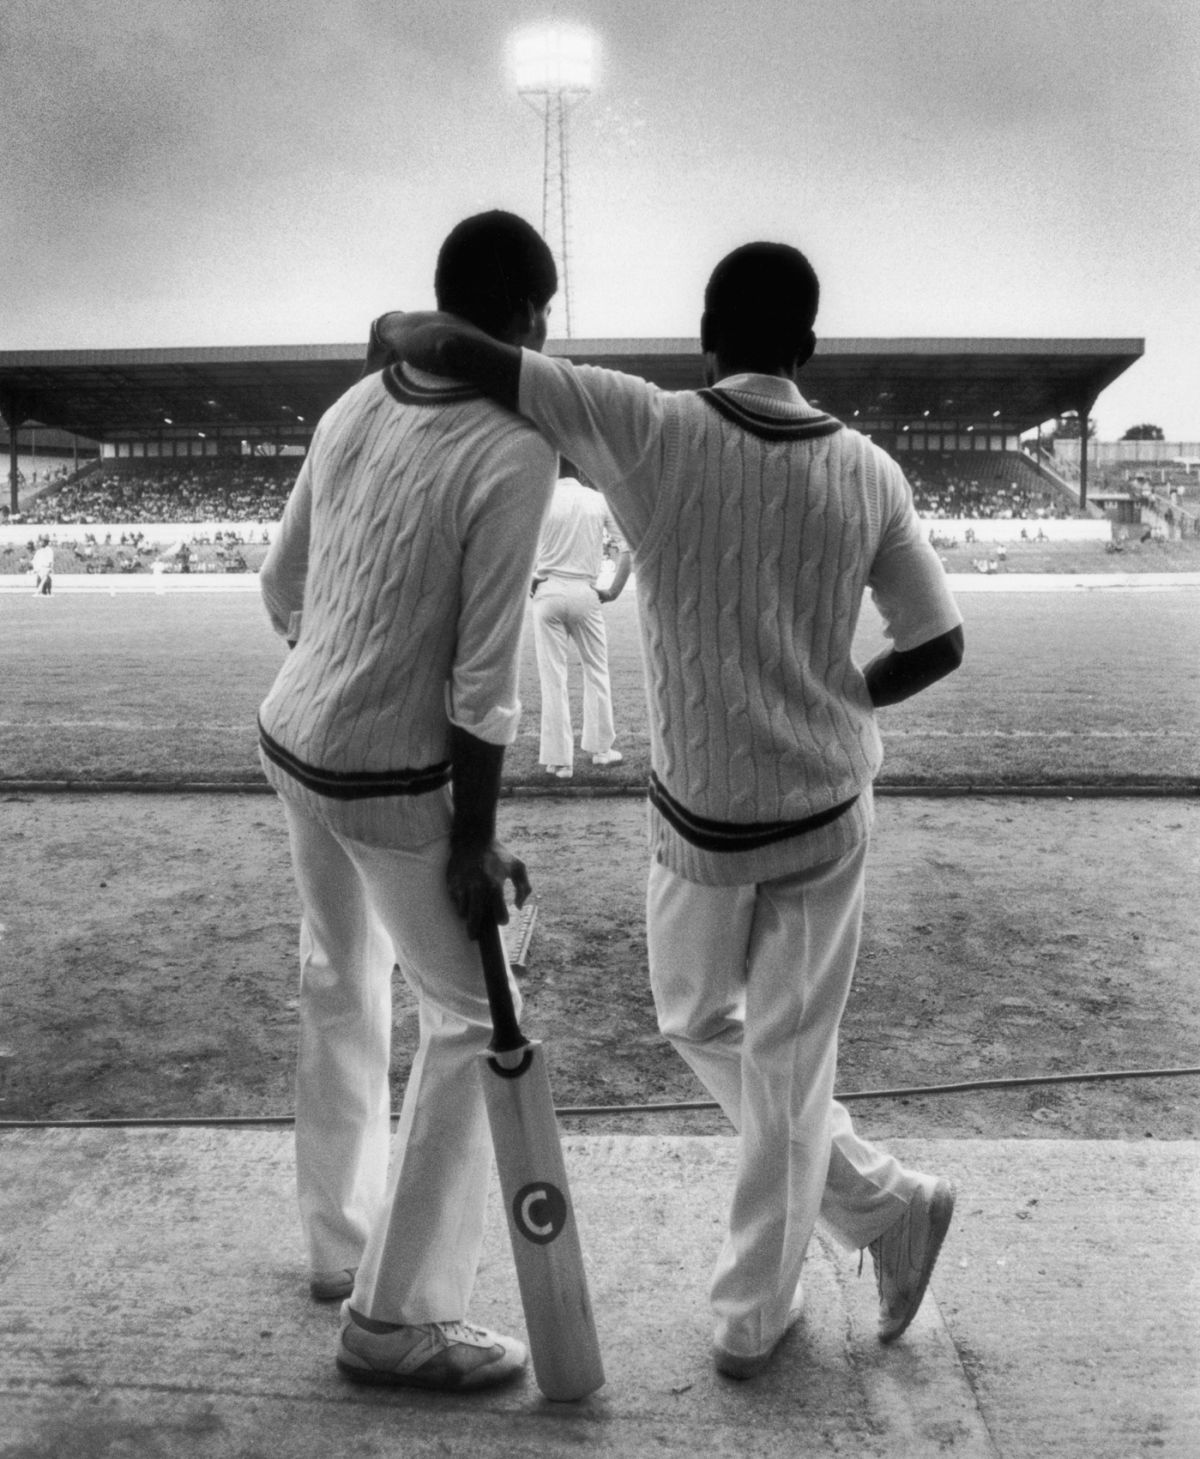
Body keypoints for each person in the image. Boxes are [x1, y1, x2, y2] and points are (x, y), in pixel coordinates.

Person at [373, 239, 966, 1380]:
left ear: (706, 334)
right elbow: (936, 643)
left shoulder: (645, 423)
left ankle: (754, 1314)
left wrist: (393, 338)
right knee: (775, 1060)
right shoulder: (870, 469)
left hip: (700, 814)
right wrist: (848, 690)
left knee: (700, 1021)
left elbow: (464, 346)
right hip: (828, 807)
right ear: (807, 347)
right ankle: (883, 1204)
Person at [257, 211, 559, 1392]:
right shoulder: (515, 448)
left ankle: (339, 1246)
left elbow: (283, 583)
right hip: (384, 774)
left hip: (293, 737)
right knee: (475, 1019)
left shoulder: (351, 405)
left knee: (340, 980)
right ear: (530, 319)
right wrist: (475, 840)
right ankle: (396, 1316)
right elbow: (485, 685)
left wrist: (337, 669)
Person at [530, 465, 631, 777]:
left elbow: (517, 548)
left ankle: (560, 762)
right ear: (581, 474)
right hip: (585, 593)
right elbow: (627, 549)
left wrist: (533, 578)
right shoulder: (598, 500)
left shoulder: (540, 498)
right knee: (596, 671)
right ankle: (602, 750)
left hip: (547, 591)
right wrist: (613, 590)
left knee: (553, 678)